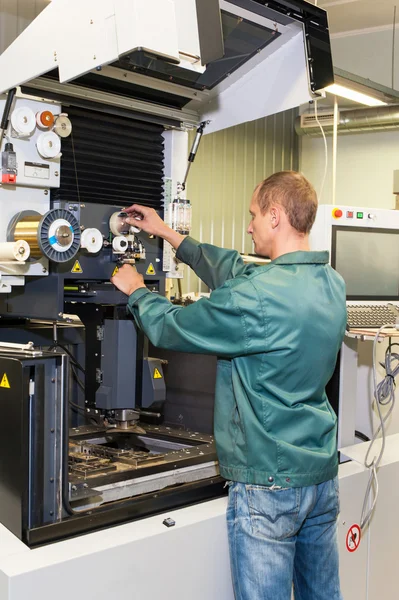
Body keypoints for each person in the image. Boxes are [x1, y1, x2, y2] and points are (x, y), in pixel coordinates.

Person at [111, 171, 347, 600]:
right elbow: (235, 270)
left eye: (254, 214)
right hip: (319, 474)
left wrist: (138, 291)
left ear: (275, 216)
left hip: (268, 483)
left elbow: (170, 327)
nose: (248, 225)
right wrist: (166, 233)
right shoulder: (331, 283)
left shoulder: (255, 296)